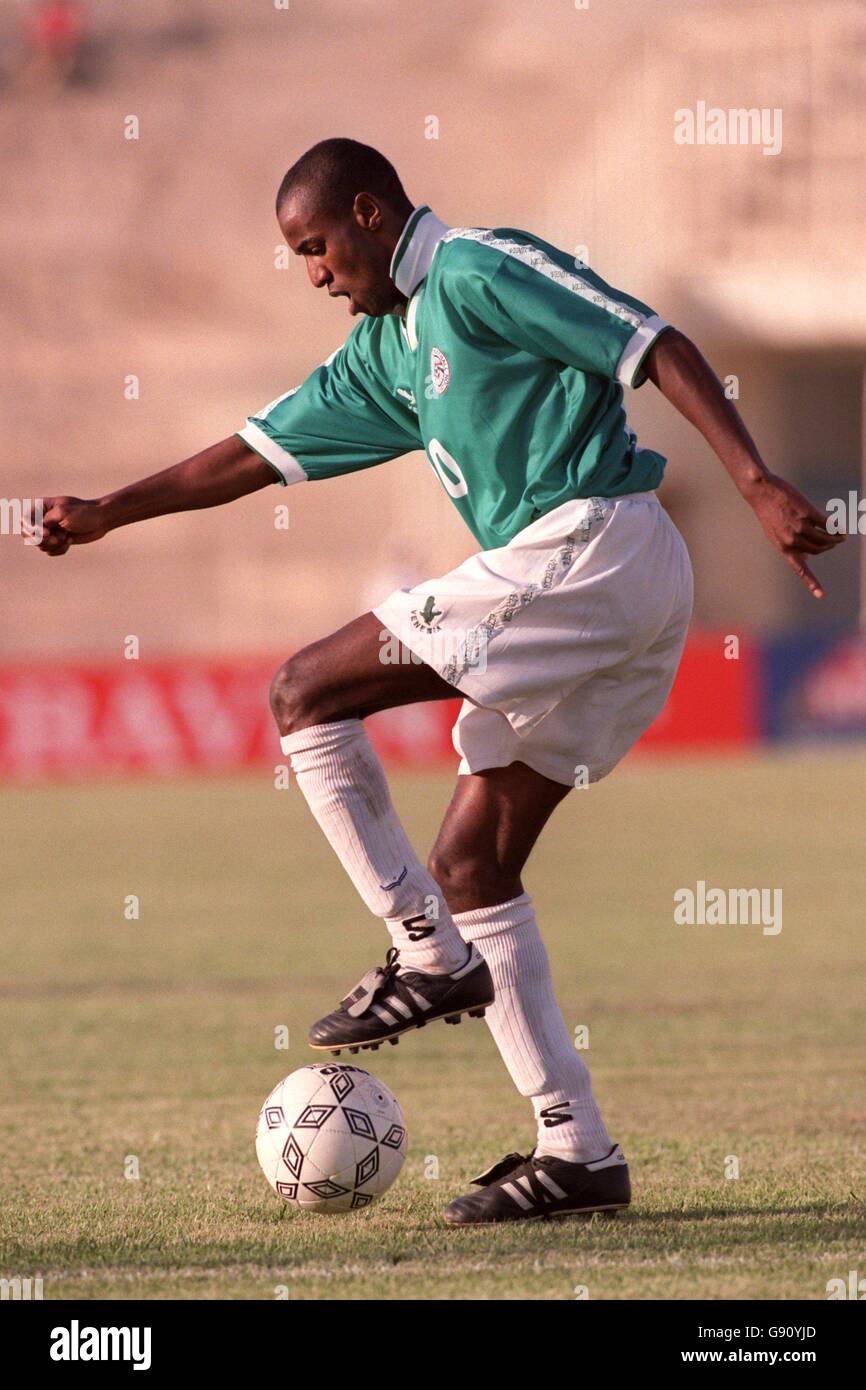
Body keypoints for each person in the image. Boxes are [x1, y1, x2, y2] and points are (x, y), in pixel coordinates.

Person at [31, 138, 842, 1225]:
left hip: (591, 543)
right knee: (472, 861)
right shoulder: (384, 351)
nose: (312, 272)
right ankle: (578, 1150)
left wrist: (752, 480)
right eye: (297, 257)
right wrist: (108, 511)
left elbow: (650, 340)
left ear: (368, 214)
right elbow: (248, 453)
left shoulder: (475, 269)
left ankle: (424, 953)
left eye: (315, 246)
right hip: (595, 587)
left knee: (302, 692)